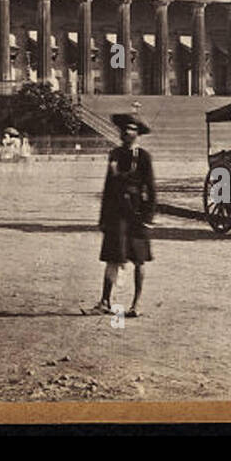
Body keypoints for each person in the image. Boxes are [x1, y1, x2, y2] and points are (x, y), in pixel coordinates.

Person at [90, 112, 156, 318]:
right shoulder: (115, 154)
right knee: (112, 257)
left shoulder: (144, 157)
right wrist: (103, 218)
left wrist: (148, 218)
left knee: (139, 259)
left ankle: (136, 304)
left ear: (137, 134)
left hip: (136, 213)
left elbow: (151, 189)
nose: (127, 133)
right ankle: (105, 301)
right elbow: (108, 186)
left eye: (132, 130)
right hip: (116, 213)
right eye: (124, 129)